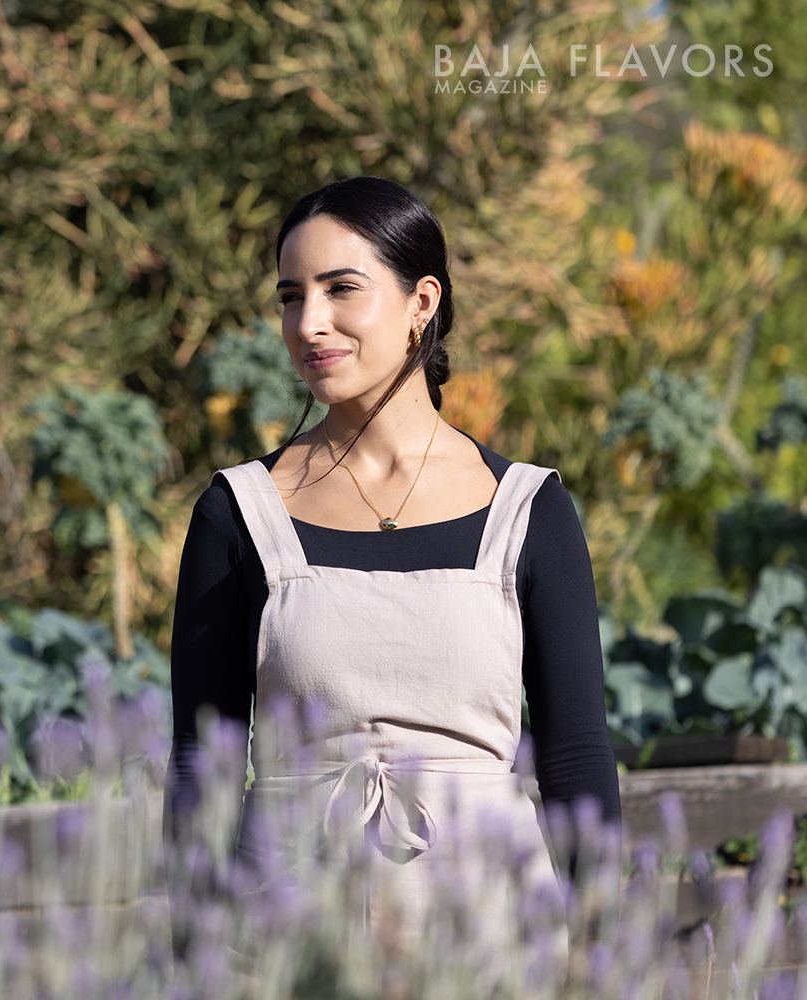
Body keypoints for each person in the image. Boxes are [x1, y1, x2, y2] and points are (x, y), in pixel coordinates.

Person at [166, 175, 620, 956]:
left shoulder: (528, 511)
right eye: (289, 296)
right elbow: (198, 760)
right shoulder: (238, 512)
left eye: (342, 289)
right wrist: (190, 951)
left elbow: (576, 754)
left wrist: (608, 951)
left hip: (489, 933)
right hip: (281, 937)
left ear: (422, 303)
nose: (310, 323)